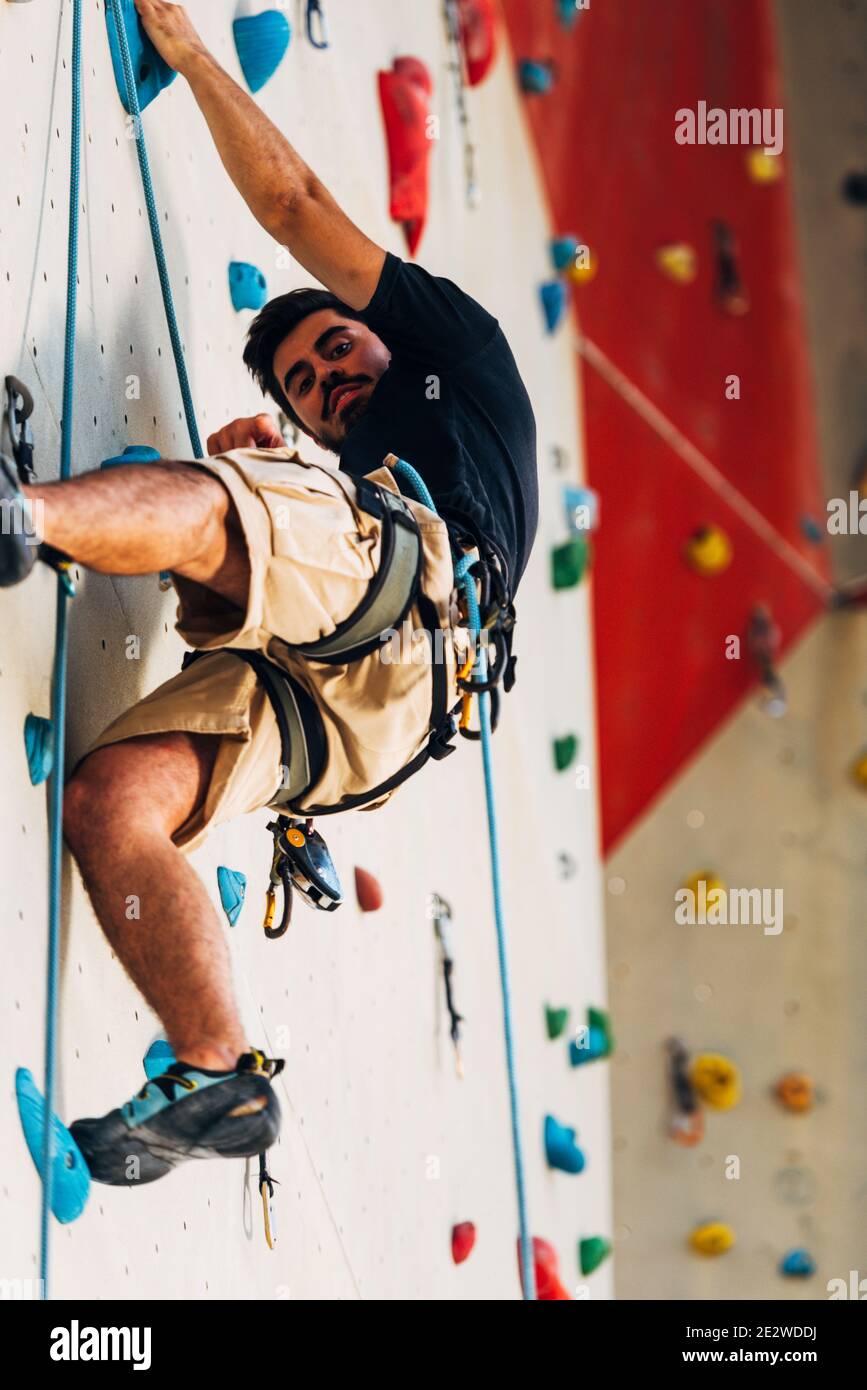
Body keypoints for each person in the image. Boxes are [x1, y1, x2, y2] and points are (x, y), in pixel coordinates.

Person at [0, 0, 538, 1187]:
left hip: (415, 607)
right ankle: (214, 1065)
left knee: (220, 512)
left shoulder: (461, 358)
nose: (328, 377)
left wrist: (188, 53)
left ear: (381, 330)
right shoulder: (348, 473)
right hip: (373, 719)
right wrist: (292, 466)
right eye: (307, 384)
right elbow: (311, 521)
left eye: (336, 348)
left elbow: (294, 209)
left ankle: (21, 517)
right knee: (111, 803)